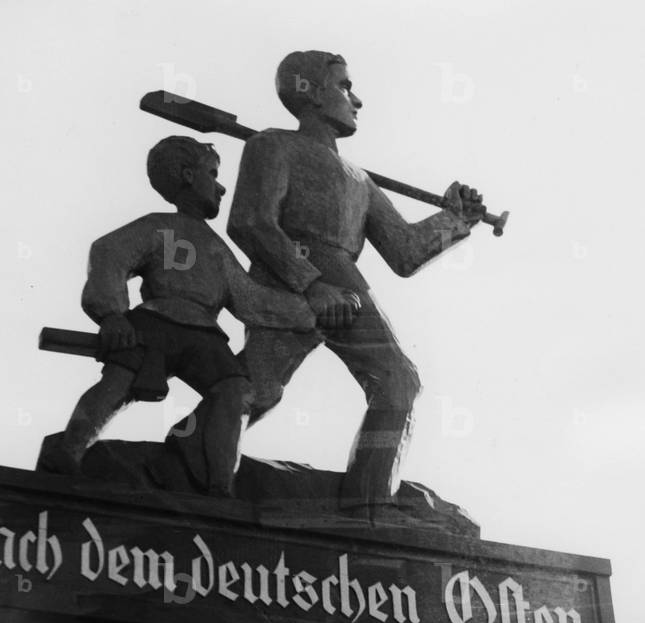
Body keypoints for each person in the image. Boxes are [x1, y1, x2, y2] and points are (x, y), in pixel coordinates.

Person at [227, 50, 485, 515]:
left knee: (396, 381)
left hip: (346, 283)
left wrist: (455, 219)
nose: (357, 100)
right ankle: (191, 459)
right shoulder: (272, 145)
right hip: (287, 275)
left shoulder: (359, 180)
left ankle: (369, 500)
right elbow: (251, 222)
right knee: (257, 389)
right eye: (345, 86)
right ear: (309, 91)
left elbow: (404, 251)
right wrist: (311, 285)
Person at [52, 135, 321, 495]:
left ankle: (220, 487)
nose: (221, 187)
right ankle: (67, 455)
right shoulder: (158, 226)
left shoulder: (217, 249)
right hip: (153, 324)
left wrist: (309, 313)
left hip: (204, 336)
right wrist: (112, 314)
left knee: (236, 392)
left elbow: (251, 299)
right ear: (187, 175)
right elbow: (109, 252)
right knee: (119, 382)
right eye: (213, 174)